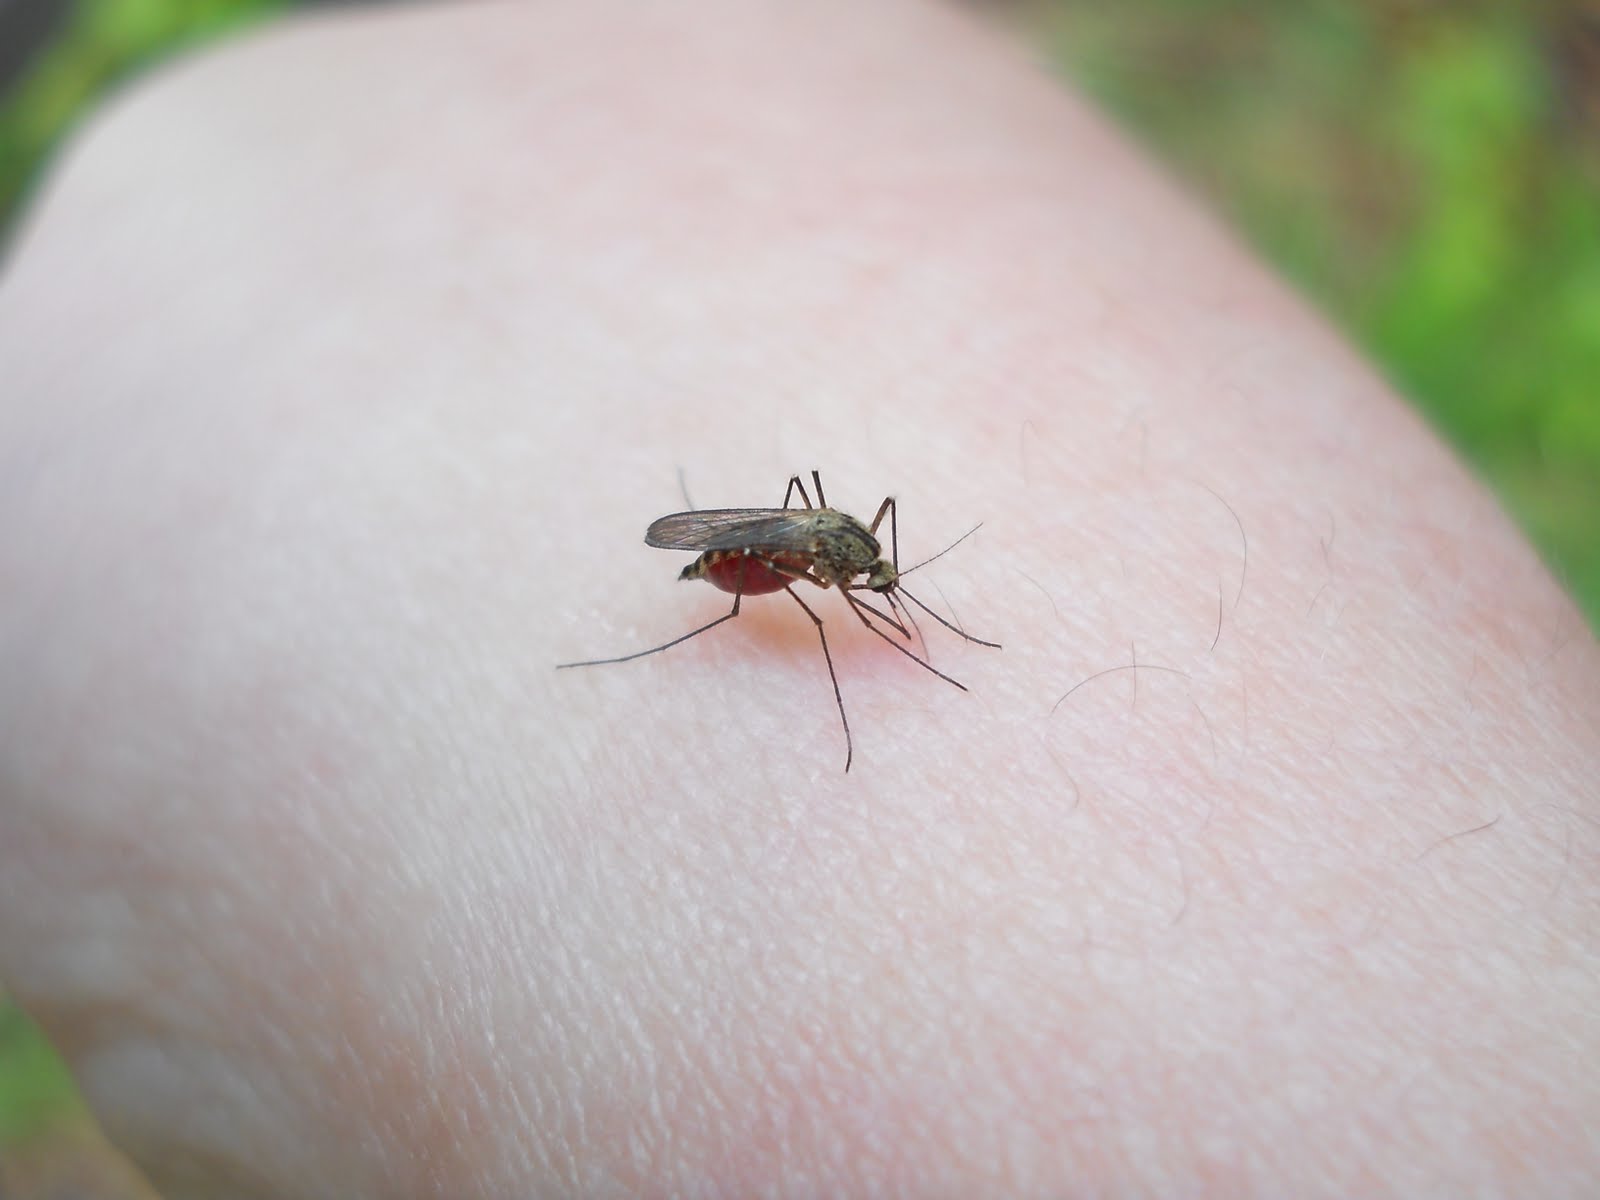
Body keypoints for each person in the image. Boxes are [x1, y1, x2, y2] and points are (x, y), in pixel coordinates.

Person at [1, 1, 1595, 1193]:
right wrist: (802, 588)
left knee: (851, 600)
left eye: (877, 575)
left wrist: (917, 611)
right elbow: (815, 574)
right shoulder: (802, 567)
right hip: (733, 536)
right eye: (878, 574)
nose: (874, 581)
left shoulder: (856, 546)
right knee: (791, 624)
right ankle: (669, 629)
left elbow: (863, 557)